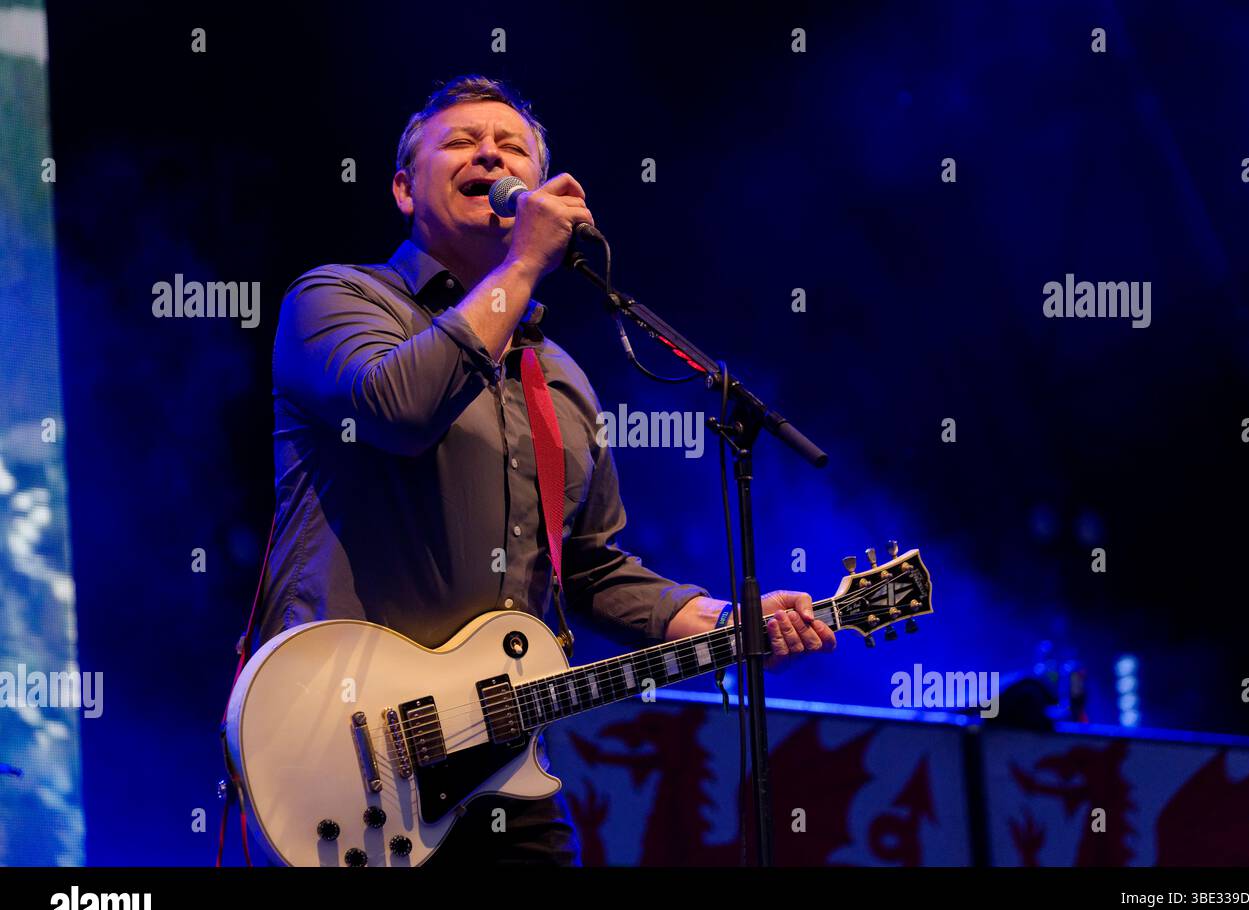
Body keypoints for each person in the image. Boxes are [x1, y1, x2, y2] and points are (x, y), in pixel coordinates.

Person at [254, 75, 836, 865]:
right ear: (401, 187)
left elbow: (588, 567)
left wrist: (722, 621)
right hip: (345, 752)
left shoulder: (558, 379)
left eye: (512, 146)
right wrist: (524, 264)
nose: (490, 152)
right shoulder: (336, 300)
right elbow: (393, 409)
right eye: (461, 142)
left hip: (502, 773)